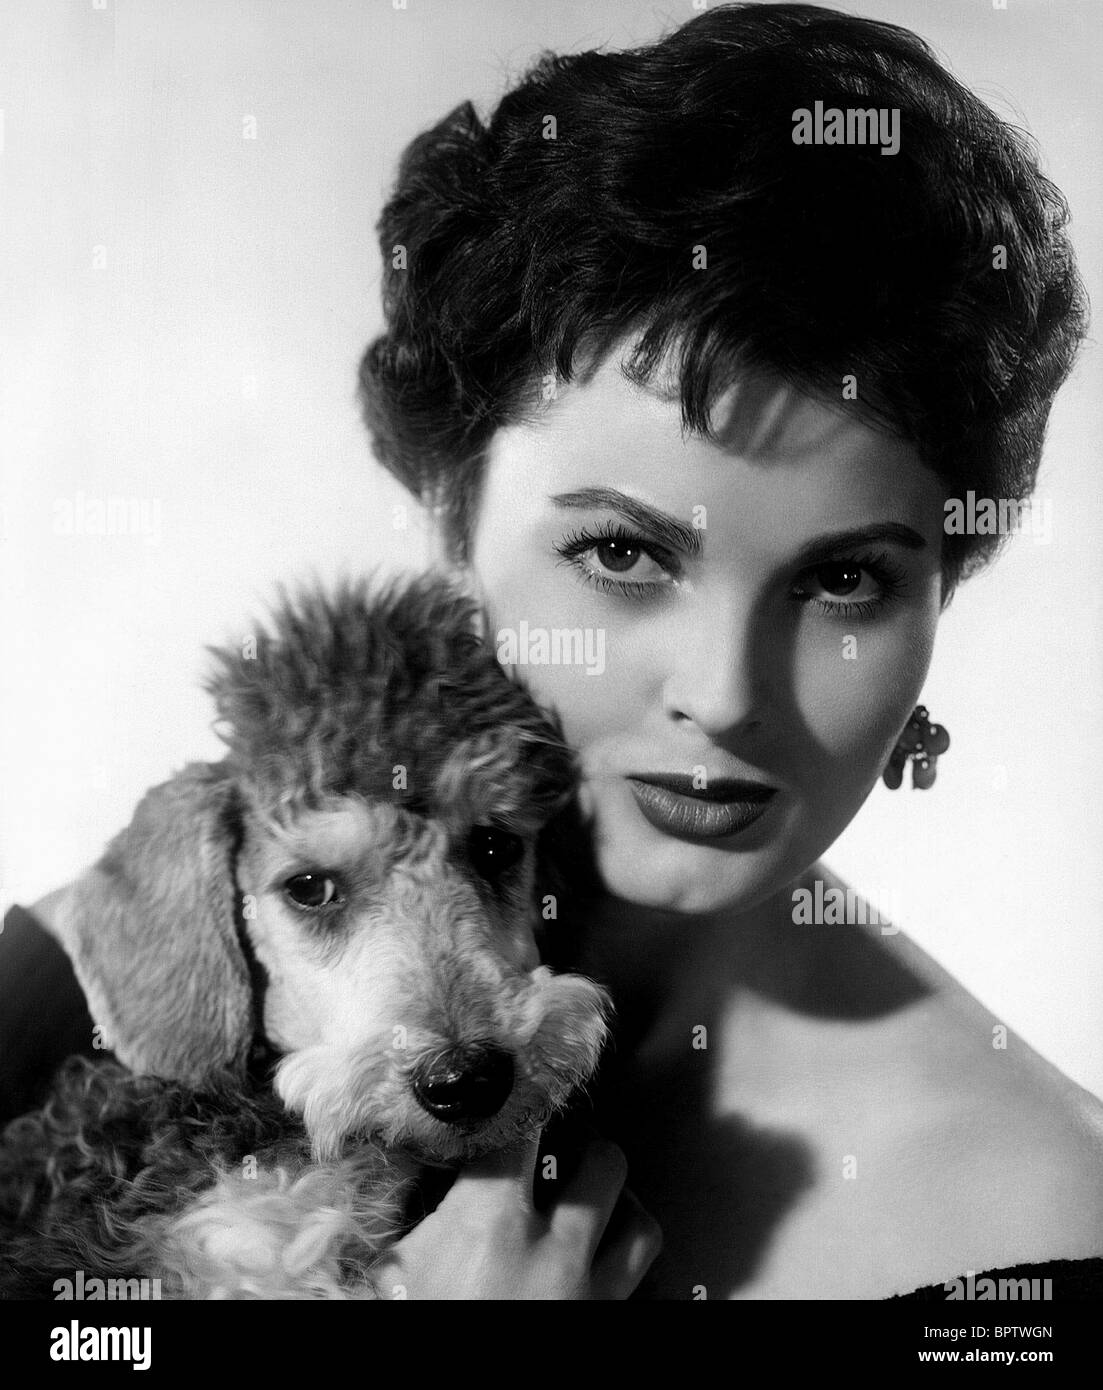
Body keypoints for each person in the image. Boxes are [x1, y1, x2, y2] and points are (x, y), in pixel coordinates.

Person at [6, 2, 1102, 1299]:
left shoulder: (1041, 1227)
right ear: (450, 526)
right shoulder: (112, 960)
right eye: (625, 554)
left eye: (844, 578)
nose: (723, 693)